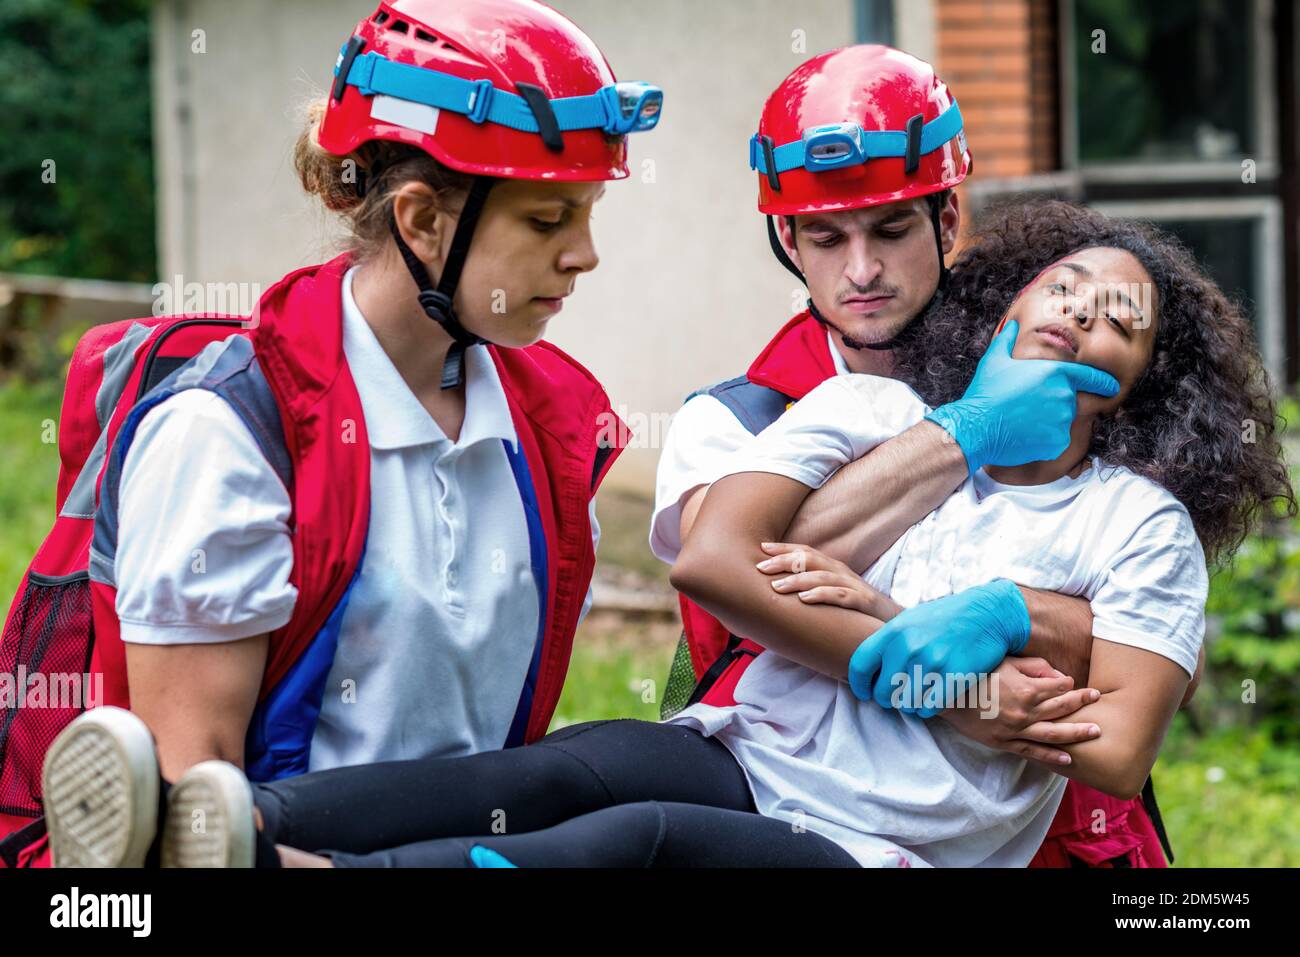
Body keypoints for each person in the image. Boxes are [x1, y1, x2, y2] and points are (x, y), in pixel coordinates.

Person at [45, 202, 1291, 867]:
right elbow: (716, 560)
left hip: (889, 843)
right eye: (1060, 289)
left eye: (1116, 320)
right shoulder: (865, 409)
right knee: (553, 774)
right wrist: (962, 541)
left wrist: (863, 617)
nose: (1078, 318)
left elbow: (1116, 751)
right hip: (751, 747)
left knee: (630, 844)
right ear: (1009, 298)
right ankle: (219, 826)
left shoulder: (1135, 526)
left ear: (1142, 381)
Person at [38, 0, 662, 868]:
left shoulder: (550, 428)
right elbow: (191, 816)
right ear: (420, 220)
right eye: (547, 220)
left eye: (589, 213)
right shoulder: (226, 437)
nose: (585, 254)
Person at [652, 43, 1196, 866]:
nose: (861, 270)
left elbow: (1160, 641)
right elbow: (737, 574)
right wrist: (971, 429)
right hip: (798, 819)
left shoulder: (1067, 351)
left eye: (892, 228)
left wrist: (1011, 608)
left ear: (947, 221)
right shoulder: (733, 422)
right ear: (787, 242)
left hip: (1063, 836)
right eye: (825, 238)